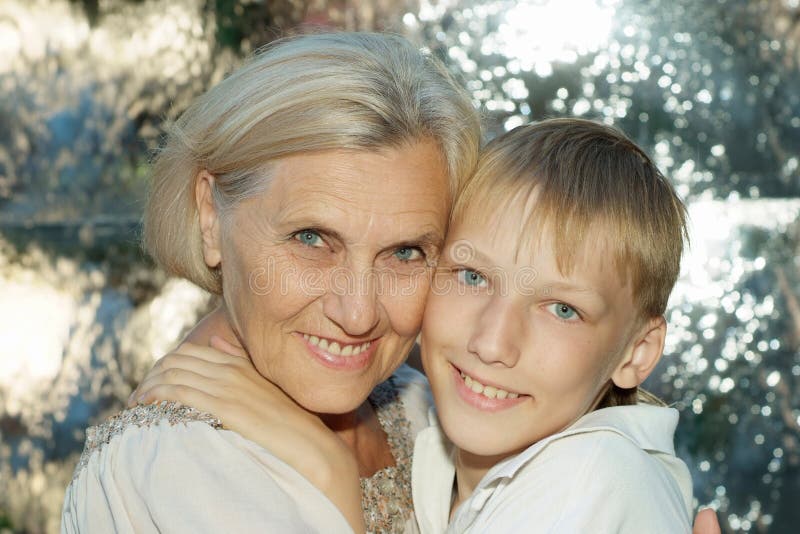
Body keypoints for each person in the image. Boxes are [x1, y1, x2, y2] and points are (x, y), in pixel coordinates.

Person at [128, 120, 723, 534]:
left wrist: (330, 479)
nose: (492, 342)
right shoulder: (442, 440)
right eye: (471, 277)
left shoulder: (588, 478)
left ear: (638, 351)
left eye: (562, 309)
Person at [61, 31, 481, 533]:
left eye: (406, 252)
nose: (358, 313)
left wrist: (326, 464)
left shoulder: (425, 406)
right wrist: (327, 473)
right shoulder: (173, 468)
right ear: (210, 216)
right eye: (312, 238)